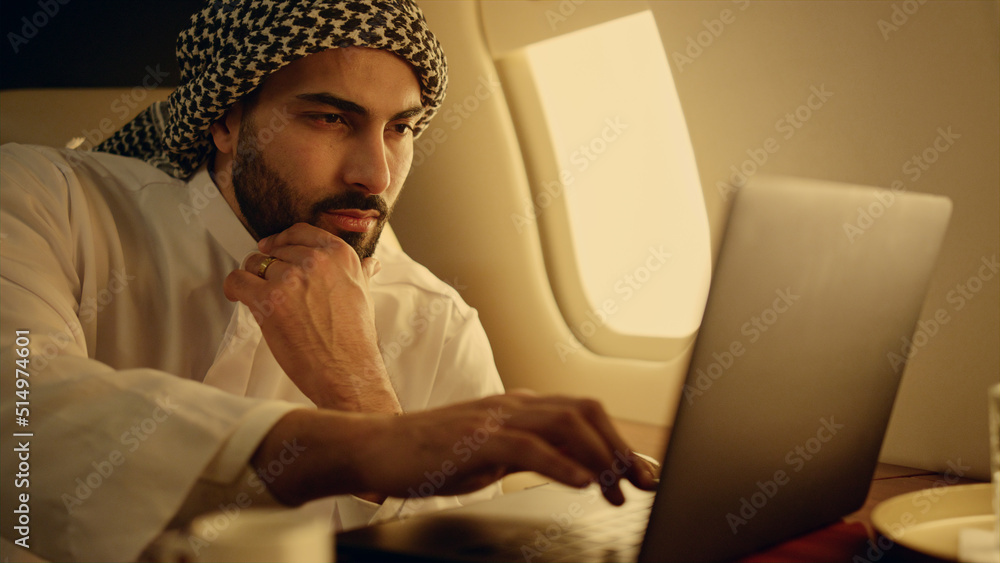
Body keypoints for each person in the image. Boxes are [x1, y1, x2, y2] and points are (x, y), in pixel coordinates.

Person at [0, 1, 657, 561]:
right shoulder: (43, 200)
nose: (375, 173)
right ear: (225, 121)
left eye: (400, 128)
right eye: (330, 118)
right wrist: (379, 446)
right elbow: (25, 418)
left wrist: (361, 393)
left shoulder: (437, 319)